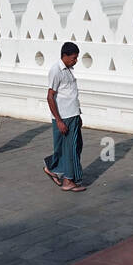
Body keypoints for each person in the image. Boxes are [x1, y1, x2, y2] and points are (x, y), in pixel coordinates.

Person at [43, 42, 85, 192]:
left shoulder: (68, 70)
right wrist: (59, 121)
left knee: (74, 147)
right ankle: (69, 180)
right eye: (73, 58)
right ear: (65, 56)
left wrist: (78, 114)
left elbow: (71, 94)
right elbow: (50, 97)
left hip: (73, 114)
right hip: (64, 116)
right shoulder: (56, 70)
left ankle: (53, 167)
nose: (76, 61)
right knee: (71, 149)